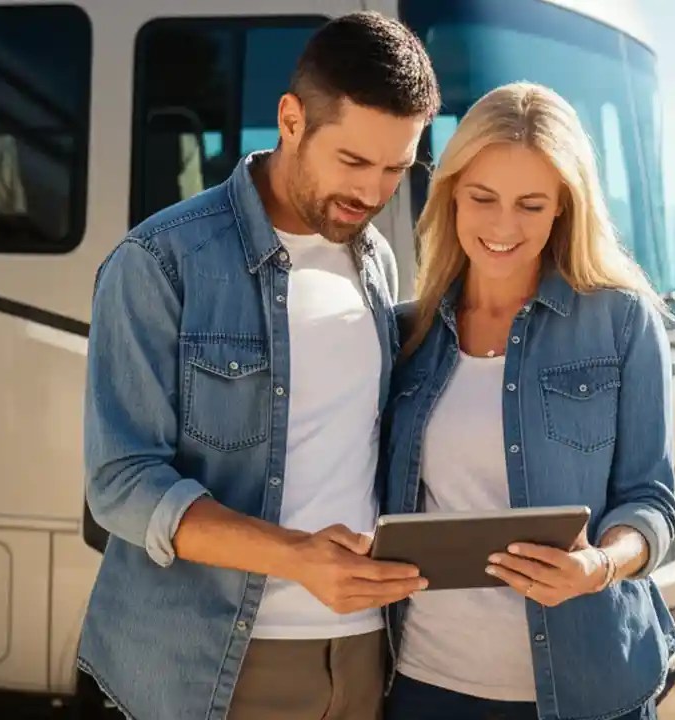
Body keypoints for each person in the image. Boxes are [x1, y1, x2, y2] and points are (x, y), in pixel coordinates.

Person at [77, 13, 439, 720]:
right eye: (354, 162)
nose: (372, 193)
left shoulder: (374, 260)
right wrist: (297, 556)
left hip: (362, 653)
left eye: (396, 168)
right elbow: (120, 483)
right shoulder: (161, 261)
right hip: (212, 663)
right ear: (291, 119)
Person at [379, 82, 675, 720]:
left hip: (587, 690)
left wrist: (599, 564)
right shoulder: (407, 334)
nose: (502, 227)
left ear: (562, 210)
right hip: (426, 685)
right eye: (482, 198)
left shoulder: (623, 322)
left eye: (531, 204)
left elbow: (651, 500)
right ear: (451, 194)